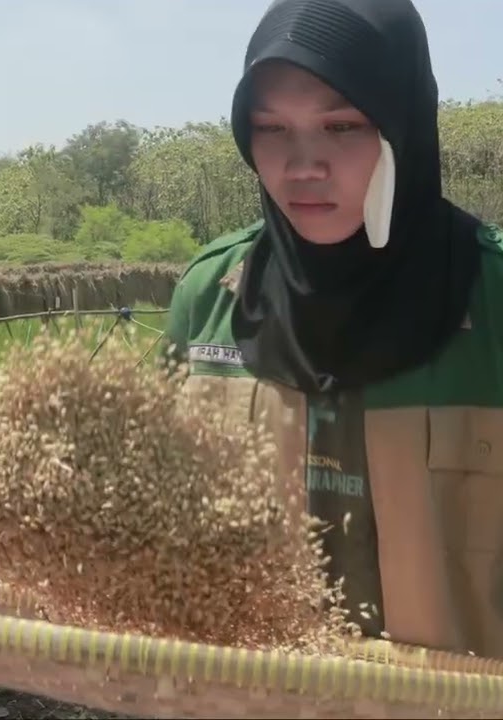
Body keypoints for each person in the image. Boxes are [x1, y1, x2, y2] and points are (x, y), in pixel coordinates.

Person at [164, 0, 503, 657]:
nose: (303, 165)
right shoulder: (211, 296)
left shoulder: (491, 302)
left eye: (342, 125)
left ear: (402, 125)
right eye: (271, 129)